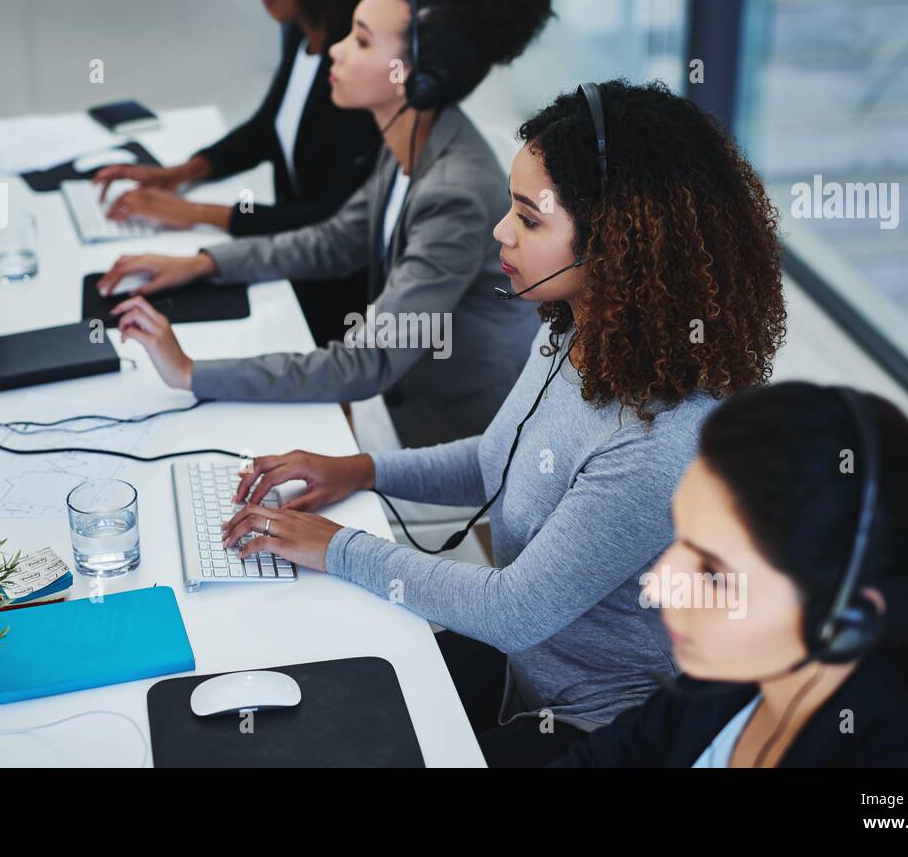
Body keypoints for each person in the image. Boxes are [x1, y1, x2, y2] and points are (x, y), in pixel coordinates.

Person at [218, 79, 789, 766]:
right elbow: (497, 459)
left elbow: (509, 608)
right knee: (314, 705)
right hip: (520, 666)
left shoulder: (656, 443)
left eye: (529, 217)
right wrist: (360, 468)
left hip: (589, 727)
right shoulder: (573, 330)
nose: (501, 231)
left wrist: (334, 546)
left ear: (614, 246)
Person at [98, 0, 555, 448]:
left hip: (454, 432)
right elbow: (336, 240)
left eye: (361, 40)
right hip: (405, 399)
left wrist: (188, 371)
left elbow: (370, 360)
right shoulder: (410, 137)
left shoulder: (453, 193)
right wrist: (205, 263)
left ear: (418, 79)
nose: (335, 51)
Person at [551, 382, 908, 768]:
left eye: (717, 574)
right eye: (680, 537)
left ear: (846, 618)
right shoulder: (727, 677)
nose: (657, 584)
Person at [93, 0, 424, 346]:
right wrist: (178, 174)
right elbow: (270, 127)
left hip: (333, 298)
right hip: (286, 268)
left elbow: (329, 219)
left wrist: (193, 213)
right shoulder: (306, 27)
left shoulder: (358, 70)